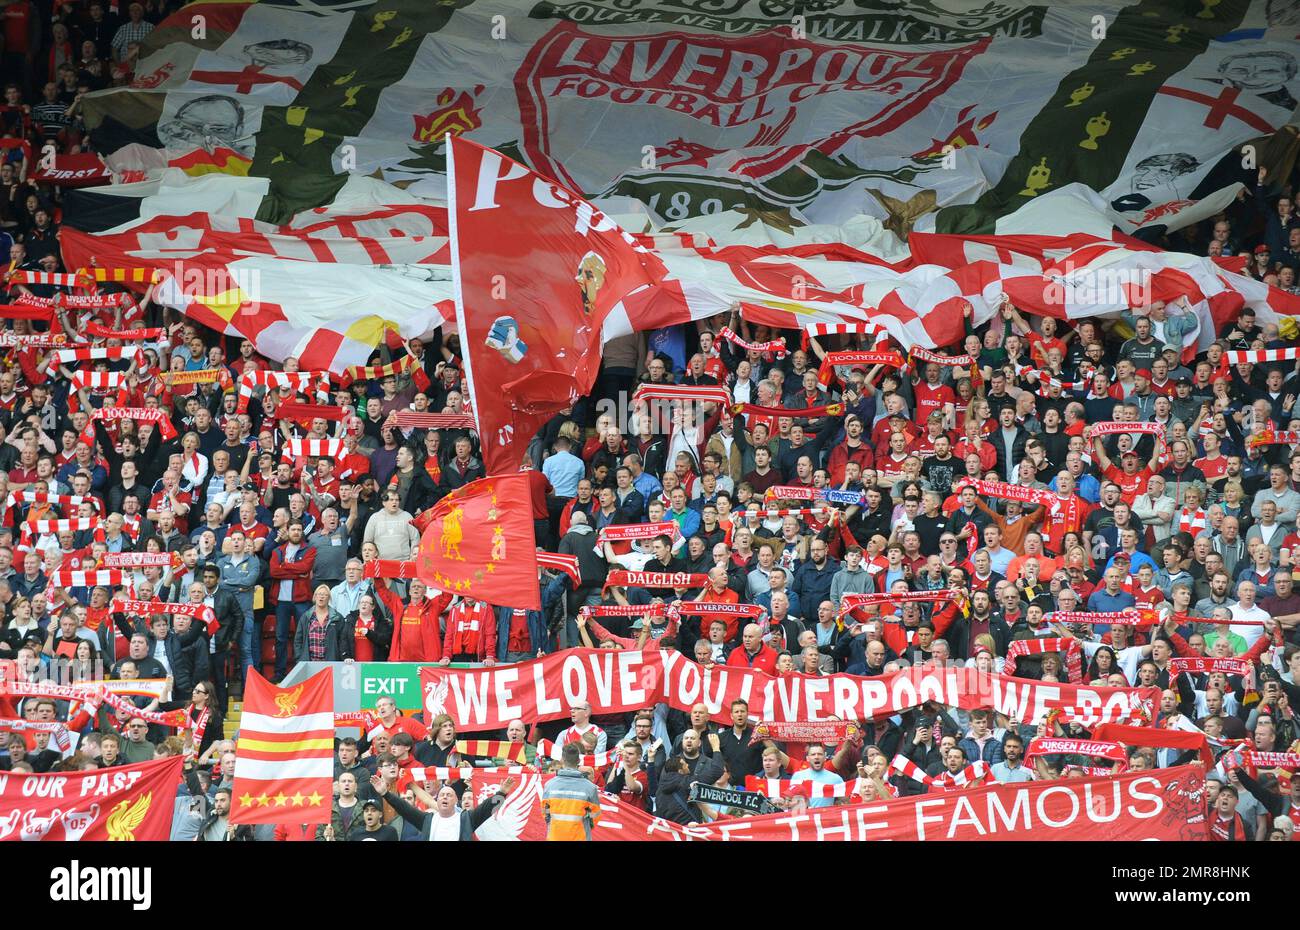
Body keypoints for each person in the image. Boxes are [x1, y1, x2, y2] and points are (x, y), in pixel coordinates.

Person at [371, 772, 517, 841]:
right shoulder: (427, 819)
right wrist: (385, 793)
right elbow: (405, 808)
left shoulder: (466, 818)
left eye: (449, 795)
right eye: (442, 795)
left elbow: (487, 809)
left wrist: (502, 793)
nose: (445, 797)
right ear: (437, 801)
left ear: (455, 801)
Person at [542, 742, 602, 840]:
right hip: (580, 837)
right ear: (578, 760)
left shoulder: (549, 785)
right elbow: (595, 816)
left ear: (562, 760)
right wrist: (585, 827)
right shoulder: (590, 787)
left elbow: (545, 813)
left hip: (555, 837)